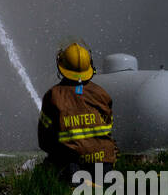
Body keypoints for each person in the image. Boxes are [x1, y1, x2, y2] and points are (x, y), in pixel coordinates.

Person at [37, 42, 116, 183]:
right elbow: (109, 127)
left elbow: (44, 140)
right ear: (89, 66)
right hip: (104, 165)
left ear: (61, 67)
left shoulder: (53, 96)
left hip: (72, 167)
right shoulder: (102, 94)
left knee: (43, 172)